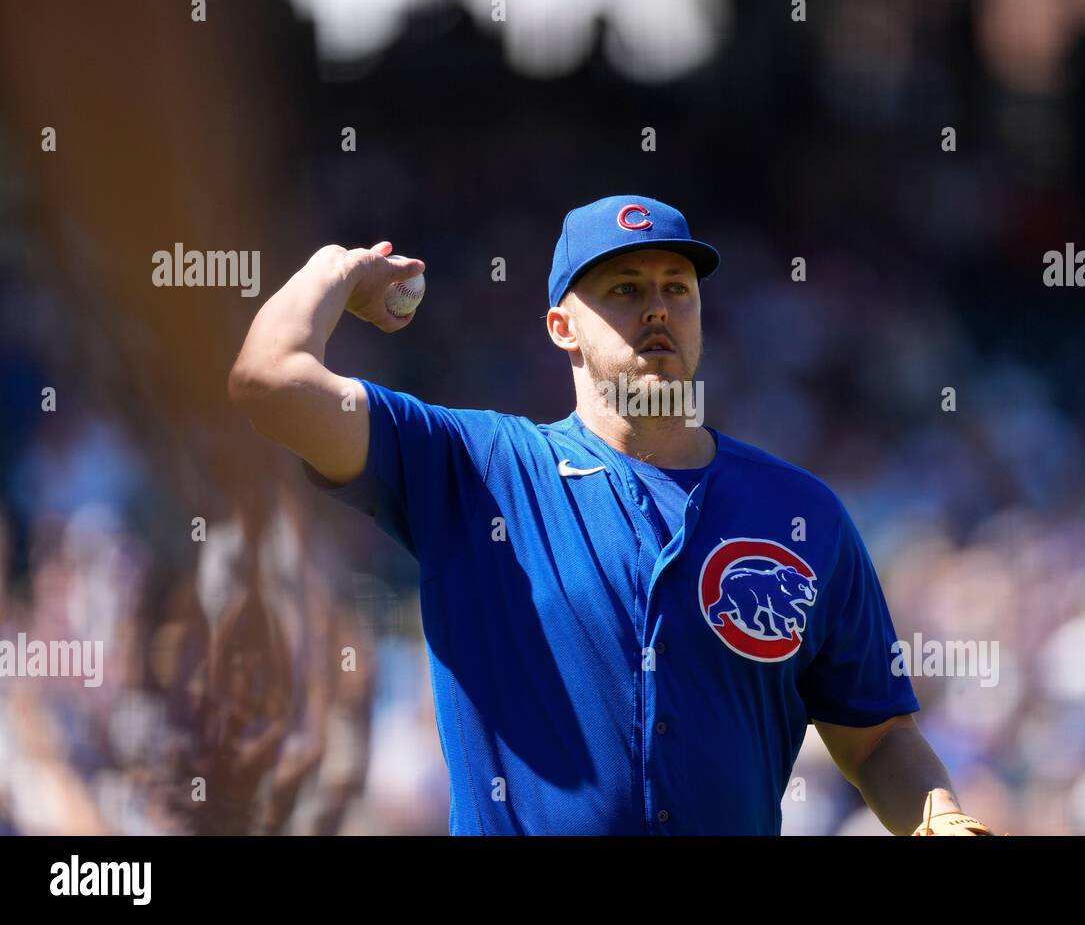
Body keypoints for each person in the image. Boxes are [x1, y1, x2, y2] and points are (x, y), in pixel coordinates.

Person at [227, 194, 996, 835]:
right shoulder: (475, 468)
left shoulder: (801, 514)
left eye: (677, 288)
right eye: (624, 290)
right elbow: (267, 381)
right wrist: (336, 269)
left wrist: (938, 815)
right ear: (562, 326)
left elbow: (880, 739)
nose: (657, 308)